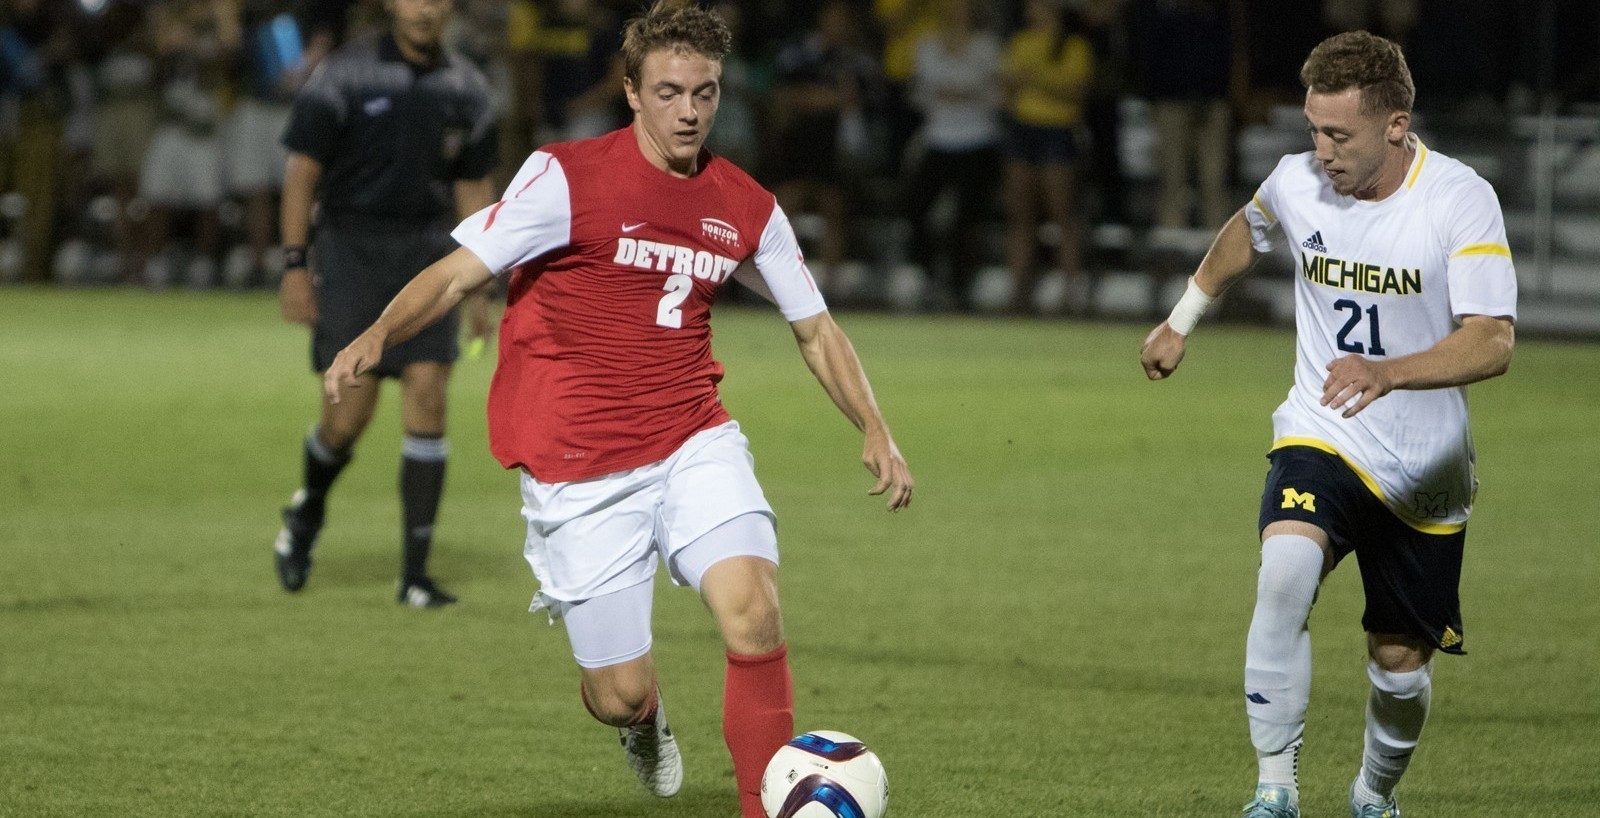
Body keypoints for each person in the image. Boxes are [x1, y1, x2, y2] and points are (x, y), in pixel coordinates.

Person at [321, 3, 914, 814]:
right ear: (630, 92)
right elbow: (461, 273)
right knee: (617, 694)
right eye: (669, 92)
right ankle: (644, 721)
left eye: (704, 93)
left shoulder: (746, 206)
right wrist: (376, 335)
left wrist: (874, 427)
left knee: (754, 612)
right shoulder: (564, 179)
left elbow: (815, 328)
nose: (690, 112)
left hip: (692, 438)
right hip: (580, 465)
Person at [1139, 31, 1517, 818]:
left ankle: (1374, 794)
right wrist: (1182, 318)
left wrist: (1387, 372)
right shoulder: (1298, 181)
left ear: (1396, 124)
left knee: (1399, 665)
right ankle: (1275, 790)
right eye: (1313, 129)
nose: (1322, 150)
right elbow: (1249, 228)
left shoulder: (1458, 198)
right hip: (1322, 429)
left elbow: (1492, 339)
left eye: (1339, 134)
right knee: (1283, 578)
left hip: (1425, 465)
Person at [273, 0, 498, 608]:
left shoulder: (468, 87)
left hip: (429, 254)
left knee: (429, 393)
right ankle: (308, 511)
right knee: (350, 415)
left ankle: (415, 577)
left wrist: (483, 284)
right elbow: (301, 173)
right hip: (351, 251)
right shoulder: (345, 73)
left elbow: (473, 187)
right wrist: (295, 266)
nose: (423, 8)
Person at [1001, 0, 1093, 314]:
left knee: (1062, 215)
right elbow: (1007, 89)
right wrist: (1047, 84)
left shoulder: (1074, 46)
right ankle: (1018, 292)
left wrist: (1036, 81)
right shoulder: (1021, 42)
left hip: (1057, 132)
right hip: (1023, 130)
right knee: (1020, 216)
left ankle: (1071, 292)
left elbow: (1076, 93)